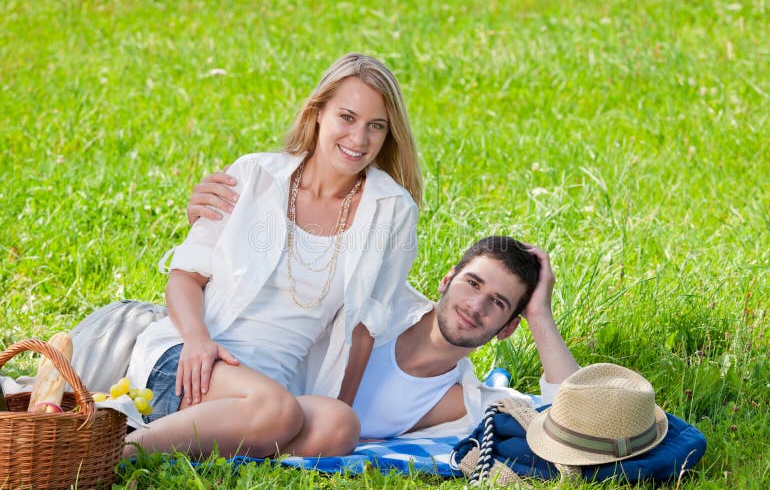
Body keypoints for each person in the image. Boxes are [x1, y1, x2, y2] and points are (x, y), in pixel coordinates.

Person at [124, 53, 423, 459]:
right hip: (193, 361)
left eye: (376, 126)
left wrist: (342, 405)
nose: (359, 139)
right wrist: (197, 341)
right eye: (347, 117)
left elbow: (364, 328)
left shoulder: (392, 209)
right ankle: (121, 455)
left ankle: (221, 434)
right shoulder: (254, 175)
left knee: (341, 425)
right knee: (277, 410)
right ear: (318, 112)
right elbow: (185, 276)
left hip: (279, 392)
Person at [194, 172, 580, 439]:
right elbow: (287, 263)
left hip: (248, 425)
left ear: (508, 327)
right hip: (211, 373)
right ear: (447, 279)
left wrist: (540, 315)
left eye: (497, 302)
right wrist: (215, 221)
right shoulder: (378, 296)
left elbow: (577, 418)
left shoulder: (459, 402)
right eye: (473, 283)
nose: (476, 305)